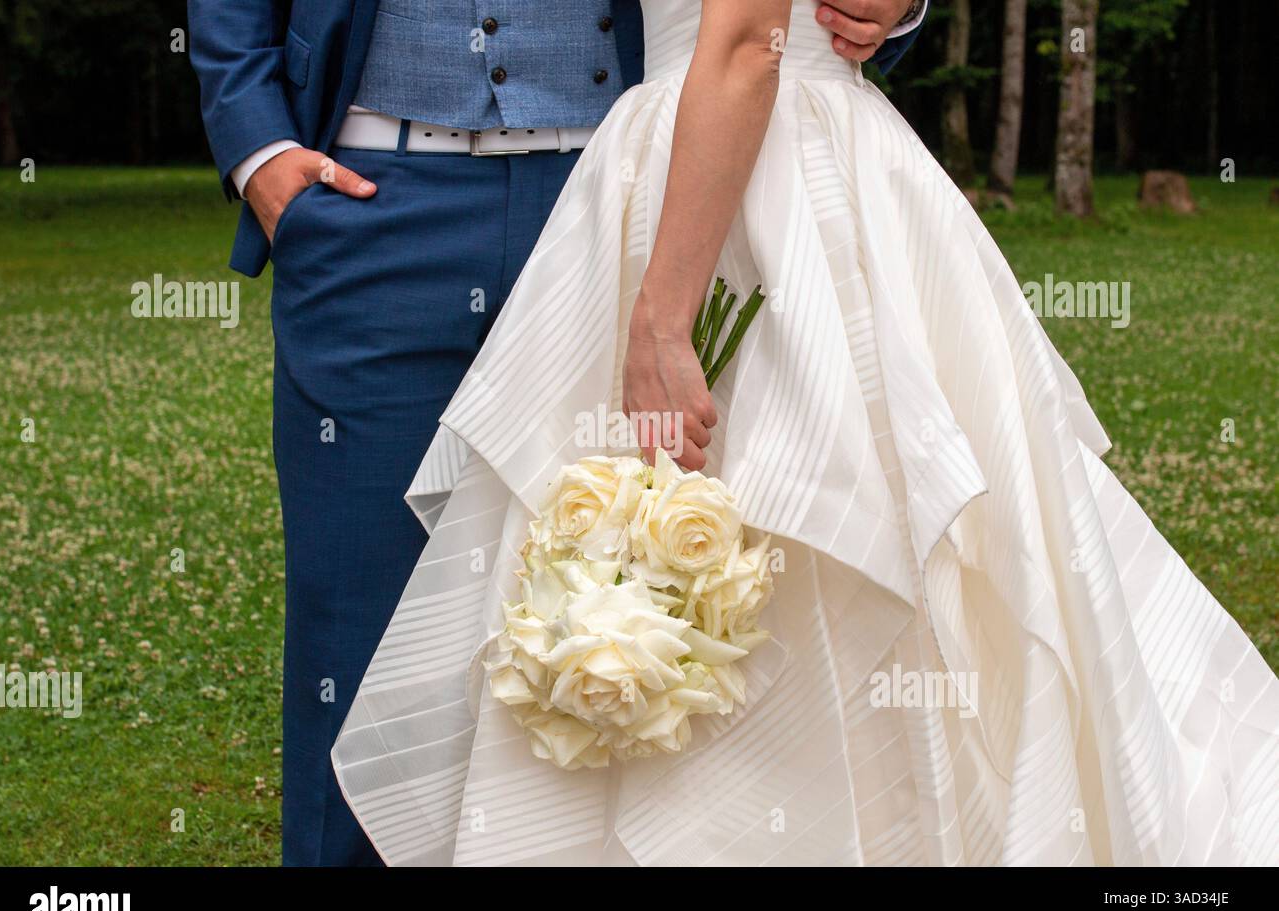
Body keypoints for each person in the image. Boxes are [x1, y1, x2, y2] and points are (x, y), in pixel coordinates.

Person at [331, 0, 1279, 866]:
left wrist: (665, 319)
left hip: (742, 167)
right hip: (755, 149)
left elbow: (747, 41)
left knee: (778, 543)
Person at [188, 0, 927, 867]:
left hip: (623, 213)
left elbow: (752, 35)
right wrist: (260, 153)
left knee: (634, 618)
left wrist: (900, 9)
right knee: (358, 625)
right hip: (376, 206)